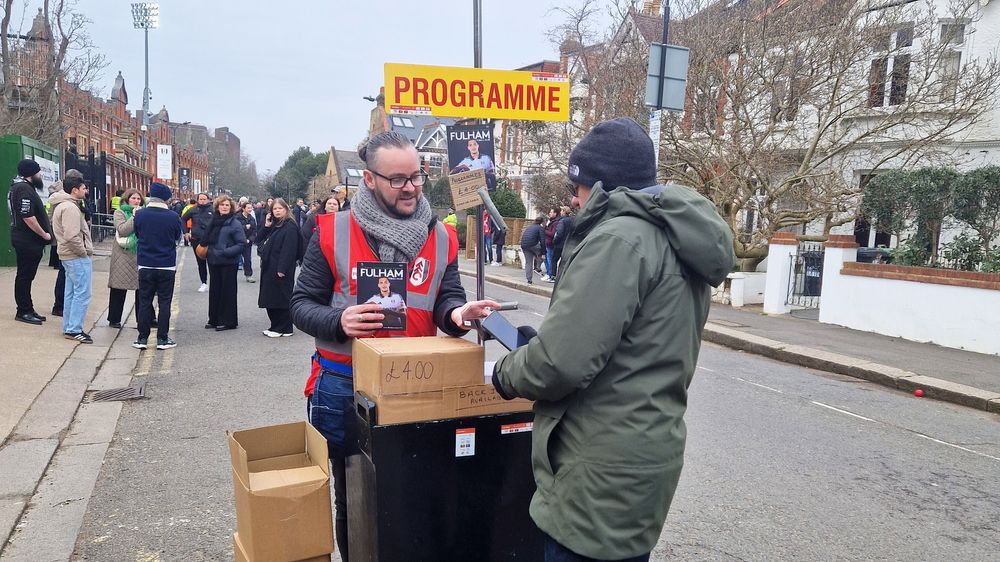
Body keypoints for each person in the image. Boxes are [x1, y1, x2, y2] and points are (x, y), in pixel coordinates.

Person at [491, 117, 736, 562]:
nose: (573, 197)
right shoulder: (675, 236)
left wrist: (506, 372)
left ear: (601, 186)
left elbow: (559, 364)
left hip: (597, 469)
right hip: (641, 459)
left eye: (577, 185)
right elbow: (623, 346)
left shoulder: (620, 240)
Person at [290, 131, 498, 562]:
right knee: (354, 498)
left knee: (416, 492)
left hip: (416, 385)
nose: (411, 187)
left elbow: (446, 299)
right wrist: (339, 319)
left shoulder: (441, 236)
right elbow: (300, 304)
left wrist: (457, 316)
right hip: (345, 387)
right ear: (369, 179)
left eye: (417, 177)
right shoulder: (332, 231)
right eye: (398, 179)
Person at [132, 182, 183, 350]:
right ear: (166, 199)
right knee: (165, 302)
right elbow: (177, 238)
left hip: (145, 264)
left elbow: (138, 234)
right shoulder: (173, 217)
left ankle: (142, 338)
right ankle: (162, 338)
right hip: (166, 265)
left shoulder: (140, 215)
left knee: (145, 301)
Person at [7, 159, 52, 325]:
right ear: (32, 173)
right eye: (38, 172)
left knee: (26, 276)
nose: (40, 175)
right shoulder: (24, 189)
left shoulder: (20, 187)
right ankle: (23, 310)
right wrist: (44, 234)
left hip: (26, 240)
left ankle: (28, 308)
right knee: (25, 277)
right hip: (27, 240)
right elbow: (27, 216)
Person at [50, 175, 95, 344]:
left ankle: (69, 327)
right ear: (74, 190)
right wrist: (83, 252)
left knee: (71, 292)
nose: (86, 191)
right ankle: (74, 329)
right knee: (82, 293)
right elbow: (71, 235)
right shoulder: (70, 208)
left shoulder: (64, 205)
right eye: (84, 188)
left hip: (67, 255)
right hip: (75, 255)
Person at [107, 188, 155, 329]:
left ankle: (145, 319)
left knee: (143, 289)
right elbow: (122, 230)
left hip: (141, 254)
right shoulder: (120, 212)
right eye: (133, 198)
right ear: (127, 199)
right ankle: (114, 318)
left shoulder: (146, 213)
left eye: (139, 199)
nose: (136, 201)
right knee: (119, 288)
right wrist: (134, 217)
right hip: (123, 254)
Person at [257, 198, 302, 338]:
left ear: (286, 210)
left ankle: (284, 327)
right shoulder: (275, 225)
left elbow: (289, 250)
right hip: (270, 265)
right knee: (270, 297)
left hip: (281, 268)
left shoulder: (290, 226)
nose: (276, 211)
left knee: (280, 298)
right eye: (274, 209)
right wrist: (266, 225)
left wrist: (282, 269)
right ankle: (276, 326)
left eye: (279, 208)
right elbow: (257, 239)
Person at [203, 194, 245, 330]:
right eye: (222, 205)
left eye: (227, 205)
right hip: (213, 260)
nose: (224, 207)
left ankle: (228, 321)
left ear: (231, 207)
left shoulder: (235, 223)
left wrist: (226, 252)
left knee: (228, 292)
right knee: (215, 291)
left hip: (228, 262)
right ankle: (214, 319)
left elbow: (241, 243)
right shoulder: (213, 221)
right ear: (217, 206)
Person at [182, 192, 213, 292]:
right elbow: (183, 219)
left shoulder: (213, 209)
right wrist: (186, 232)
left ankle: (214, 282)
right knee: (201, 262)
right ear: (197, 200)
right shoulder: (193, 209)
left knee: (213, 262)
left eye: (204, 199)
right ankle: (203, 282)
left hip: (211, 240)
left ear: (208, 200)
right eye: (201, 199)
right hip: (196, 239)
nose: (203, 201)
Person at [236, 201, 258, 283]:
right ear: (243, 208)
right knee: (234, 259)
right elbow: (235, 229)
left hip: (247, 242)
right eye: (248, 208)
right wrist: (245, 227)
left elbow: (254, 231)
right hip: (237, 242)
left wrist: (250, 239)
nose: (250, 209)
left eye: (251, 208)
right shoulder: (237, 217)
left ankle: (248, 275)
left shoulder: (251, 218)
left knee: (248, 259)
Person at [519, 217, 545, 285]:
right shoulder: (540, 228)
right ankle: (538, 268)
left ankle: (529, 280)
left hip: (524, 245)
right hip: (533, 244)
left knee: (528, 262)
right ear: (542, 222)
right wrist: (543, 252)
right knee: (545, 256)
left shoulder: (530, 227)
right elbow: (542, 241)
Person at [548, 206, 571, 281]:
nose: (560, 212)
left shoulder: (562, 221)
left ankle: (553, 276)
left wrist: (555, 241)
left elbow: (559, 233)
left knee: (554, 260)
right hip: (568, 244)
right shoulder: (573, 220)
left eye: (561, 211)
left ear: (564, 212)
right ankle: (563, 277)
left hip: (559, 244)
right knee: (564, 261)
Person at [543, 207, 560, 281]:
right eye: (550, 212)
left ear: (555, 213)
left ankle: (550, 275)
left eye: (551, 212)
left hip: (550, 243)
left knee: (550, 260)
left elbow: (552, 234)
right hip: (546, 242)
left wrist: (544, 231)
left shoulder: (556, 222)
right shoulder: (550, 221)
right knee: (546, 259)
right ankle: (548, 273)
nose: (550, 213)